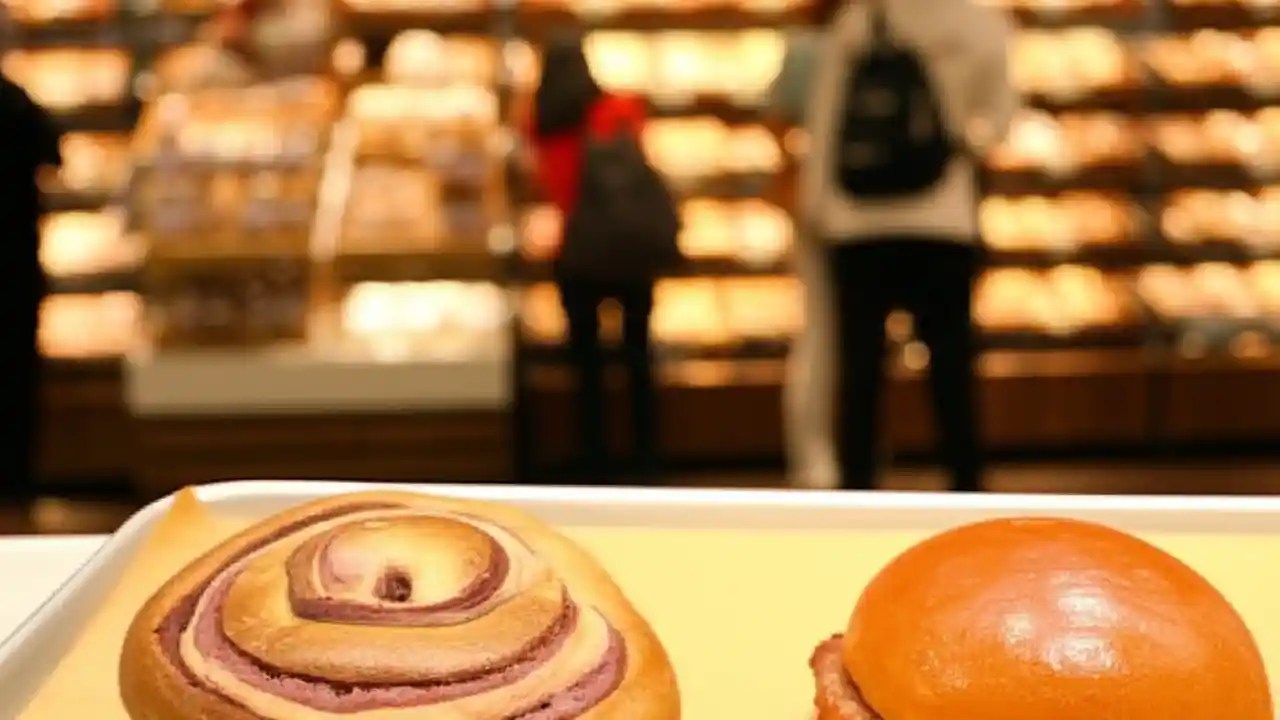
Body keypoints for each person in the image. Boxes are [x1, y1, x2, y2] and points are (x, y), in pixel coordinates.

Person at [800, 0, 1016, 491]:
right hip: (944, 220)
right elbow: (1001, 115)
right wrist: (959, 141)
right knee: (951, 374)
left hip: (857, 225)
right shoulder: (980, 24)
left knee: (859, 377)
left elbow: (825, 120)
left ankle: (857, 500)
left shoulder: (860, 21)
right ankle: (966, 495)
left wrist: (817, 211)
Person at [528, 36, 674, 483]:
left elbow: (549, 190)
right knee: (637, 357)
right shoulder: (621, 107)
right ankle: (646, 457)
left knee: (587, 365)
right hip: (631, 252)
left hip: (577, 255)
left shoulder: (543, 123)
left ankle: (594, 459)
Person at [0, 69, 62, 501]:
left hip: (16, 271)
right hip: (13, 271)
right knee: (15, 383)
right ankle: (15, 483)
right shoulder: (13, 100)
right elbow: (54, 156)